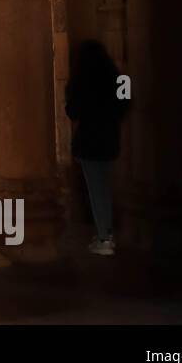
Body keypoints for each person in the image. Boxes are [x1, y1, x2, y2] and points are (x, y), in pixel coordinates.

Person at [65, 40, 129, 255]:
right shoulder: (120, 78)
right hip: (110, 138)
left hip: (88, 140)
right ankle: (105, 232)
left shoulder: (80, 81)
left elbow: (72, 112)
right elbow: (126, 104)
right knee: (104, 187)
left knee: (96, 190)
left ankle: (105, 237)